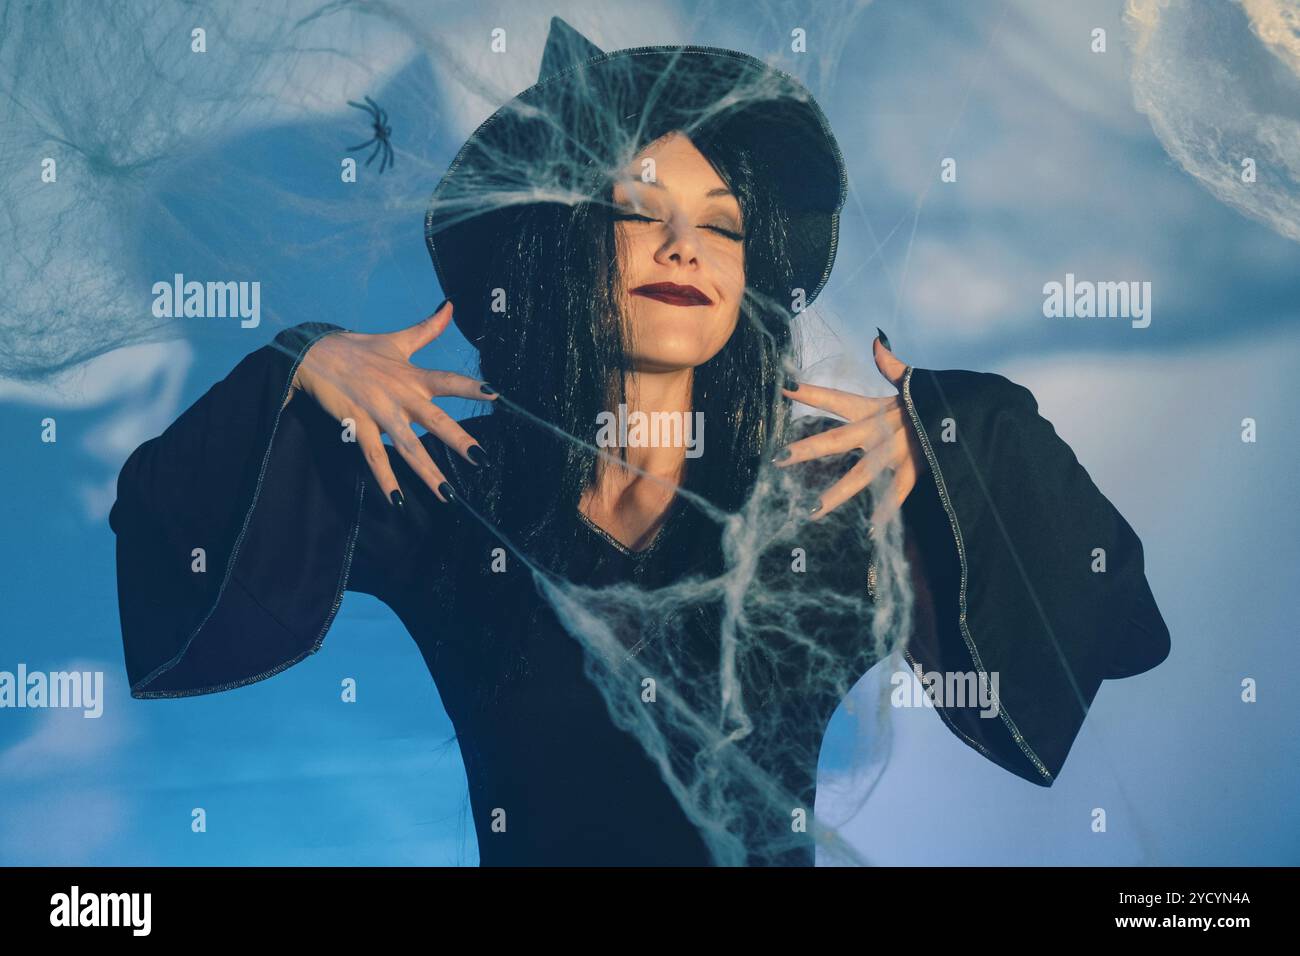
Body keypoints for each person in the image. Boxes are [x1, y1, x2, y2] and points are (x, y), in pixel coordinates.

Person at [110, 17, 1171, 866]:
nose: (683, 245)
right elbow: (165, 534)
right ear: (566, 246)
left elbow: (1103, 623)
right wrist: (300, 372)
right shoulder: (446, 486)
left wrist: (963, 443)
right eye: (637, 208)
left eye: (720, 224)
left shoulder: (829, 507)